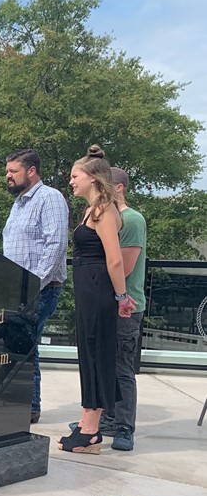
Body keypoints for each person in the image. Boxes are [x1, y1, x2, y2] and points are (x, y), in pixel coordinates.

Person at [59, 146, 134, 454]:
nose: (71, 182)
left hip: (98, 288)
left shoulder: (104, 210)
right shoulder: (92, 209)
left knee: (95, 352)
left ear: (92, 177)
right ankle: (85, 420)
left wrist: (121, 296)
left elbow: (115, 260)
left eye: (75, 176)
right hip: (88, 287)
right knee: (87, 350)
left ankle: (92, 430)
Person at [1, 148, 69, 424]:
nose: (8, 176)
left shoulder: (49, 198)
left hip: (40, 288)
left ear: (31, 171)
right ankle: (19, 401)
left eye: (13, 171)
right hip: (16, 288)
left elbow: (55, 244)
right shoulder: (18, 204)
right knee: (17, 343)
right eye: (7, 171)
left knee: (26, 344)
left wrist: (34, 284)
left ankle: (29, 405)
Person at [108, 167, 146, 451]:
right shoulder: (108, 219)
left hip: (127, 306)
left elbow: (125, 265)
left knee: (122, 368)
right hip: (107, 304)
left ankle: (124, 427)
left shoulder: (132, 220)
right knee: (106, 365)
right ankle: (108, 417)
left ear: (119, 188)